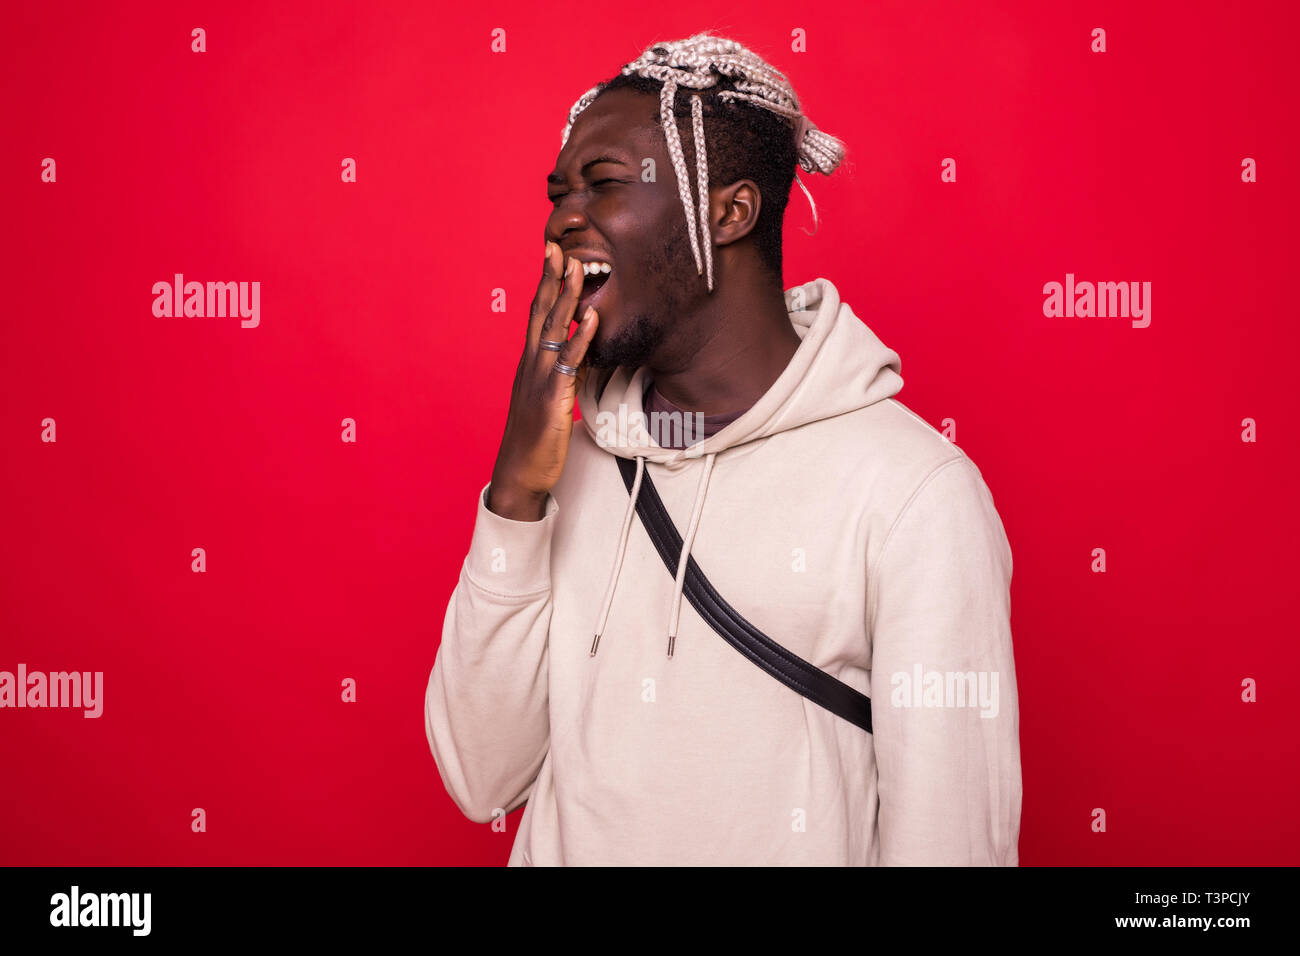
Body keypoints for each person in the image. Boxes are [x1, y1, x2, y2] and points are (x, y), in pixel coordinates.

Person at [425, 32, 1022, 866]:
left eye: (602, 185)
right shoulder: (568, 460)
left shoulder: (915, 492)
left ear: (730, 212)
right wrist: (516, 495)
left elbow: (953, 841)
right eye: (559, 192)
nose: (564, 219)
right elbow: (480, 775)